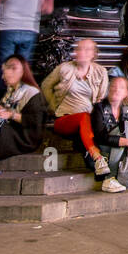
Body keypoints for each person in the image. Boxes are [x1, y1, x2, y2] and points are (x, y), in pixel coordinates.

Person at [42, 38, 112, 178]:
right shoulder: (64, 68)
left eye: (87, 49)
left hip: (88, 122)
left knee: (87, 126)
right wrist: (52, 106)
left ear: (93, 54)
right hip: (64, 119)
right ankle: (98, 158)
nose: (82, 52)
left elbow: (101, 98)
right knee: (83, 117)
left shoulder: (101, 71)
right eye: (79, 48)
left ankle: (101, 170)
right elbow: (45, 86)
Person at [0, 55, 49, 178]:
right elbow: (5, 109)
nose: (3, 77)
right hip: (11, 129)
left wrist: (11, 115)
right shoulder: (11, 91)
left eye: (5, 73)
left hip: (25, 136)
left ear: (16, 71)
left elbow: (35, 121)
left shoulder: (32, 93)